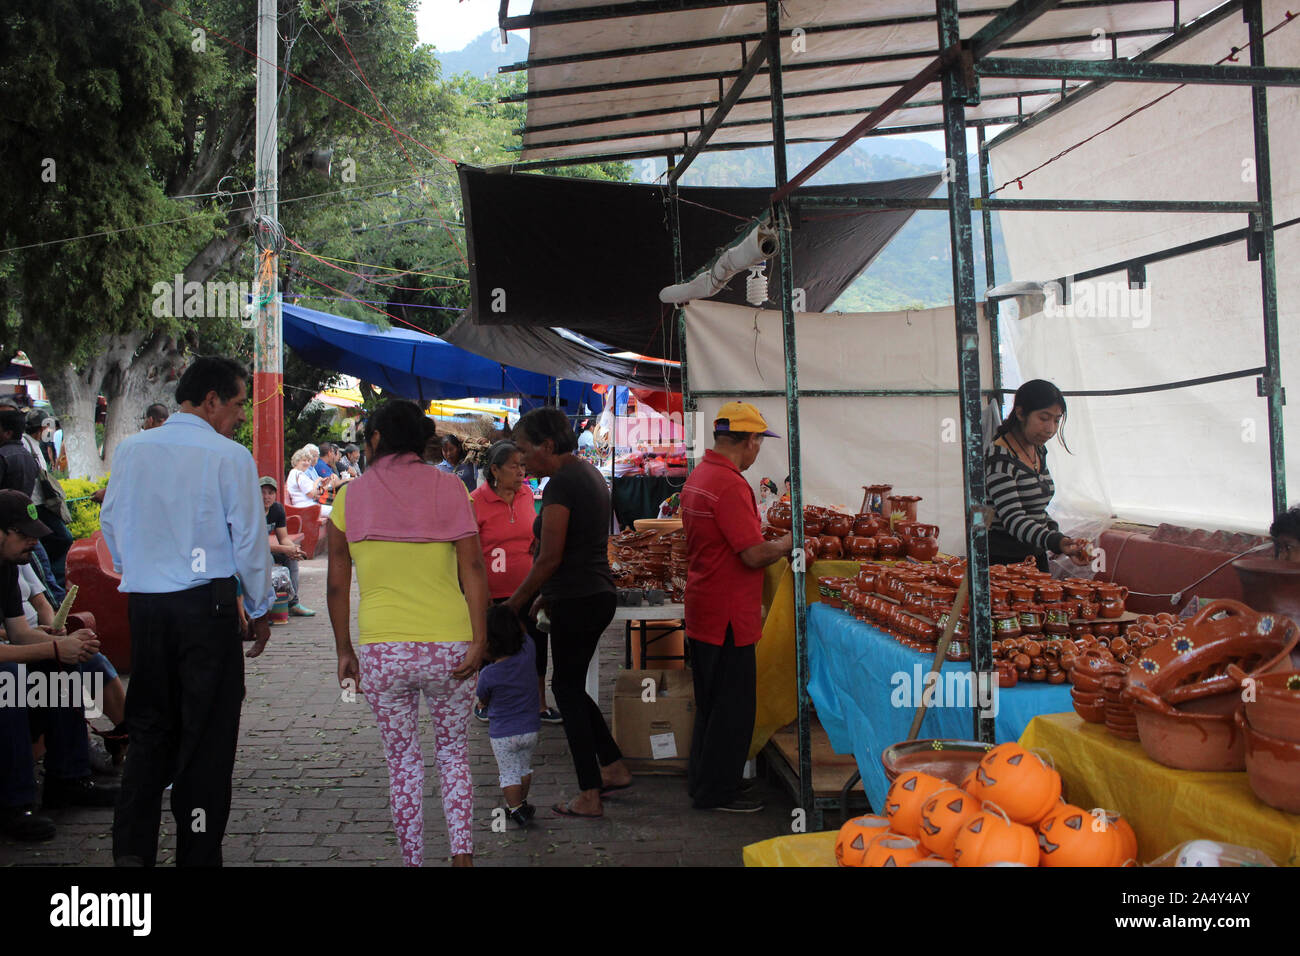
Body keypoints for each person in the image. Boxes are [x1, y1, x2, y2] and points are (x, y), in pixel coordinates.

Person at [101, 356, 275, 867]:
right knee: (207, 738)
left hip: (148, 610)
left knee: (150, 732)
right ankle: (197, 857)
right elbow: (249, 541)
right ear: (212, 400)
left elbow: (110, 525)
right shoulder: (228, 456)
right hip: (207, 609)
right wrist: (261, 607)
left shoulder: (132, 451)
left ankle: (132, 860)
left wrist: (148, 568)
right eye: (240, 403)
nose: (242, 415)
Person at [326, 399, 489, 867]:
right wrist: (480, 640)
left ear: (375, 439)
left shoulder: (348, 498)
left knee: (402, 765)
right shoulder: (451, 489)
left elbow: (338, 584)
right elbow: (474, 568)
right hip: (450, 647)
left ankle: (413, 862)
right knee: (454, 753)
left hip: (384, 651)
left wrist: (344, 650)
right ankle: (462, 859)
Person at [505, 407, 630, 819]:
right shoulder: (587, 475)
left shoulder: (562, 484)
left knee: (568, 691)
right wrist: (544, 597)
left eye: (524, 449)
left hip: (581, 597)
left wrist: (515, 602)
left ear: (547, 445)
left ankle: (589, 793)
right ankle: (611, 767)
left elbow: (549, 558)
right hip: (588, 595)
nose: (521, 458)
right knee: (571, 687)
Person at [680, 403, 793, 813]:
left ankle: (707, 783)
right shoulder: (728, 484)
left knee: (713, 705)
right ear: (750, 440)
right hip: (727, 613)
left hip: (706, 606)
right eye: (759, 441)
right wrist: (786, 543)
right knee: (732, 709)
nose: (759, 450)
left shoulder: (700, 476)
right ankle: (716, 792)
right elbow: (752, 554)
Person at [0, 490, 114, 842]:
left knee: (61, 666)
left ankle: (68, 778)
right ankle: (13, 804)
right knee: (10, 677)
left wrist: (63, 643)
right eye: (24, 535)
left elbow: (18, 633)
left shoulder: (7, 566)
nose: (33, 543)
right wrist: (53, 646)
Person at [470, 440, 561, 724]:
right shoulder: (476, 501)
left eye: (523, 465)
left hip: (527, 588)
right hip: (491, 593)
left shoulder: (527, 495)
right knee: (492, 646)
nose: (521, 472)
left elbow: (535, 531)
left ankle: (539, 703)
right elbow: (469, 553)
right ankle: (485, 701)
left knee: (535, 643)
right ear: (495, 470)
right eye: (514, 466)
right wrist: (478, 593)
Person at [985, 379, 1090, 572]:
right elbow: (1015, 520)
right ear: (1020, 413)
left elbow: (1037, 510)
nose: (1050, 428)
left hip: (1035, 557)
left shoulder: (1037, 450)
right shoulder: (1000, 459)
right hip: (1004, 564)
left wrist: (1060, 539)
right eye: (1044, 418)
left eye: (1056, 420)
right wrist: (1057, 541)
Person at [477, 604, 540, 828]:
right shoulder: (529, 649)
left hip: (503, 734)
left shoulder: (488, 674)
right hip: (531, 729)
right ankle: (522, 802)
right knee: (524, 768)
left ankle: (515, 810)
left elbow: (482, 698)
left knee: (508, 773)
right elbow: (524, 633)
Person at [21, 409, 73, 587]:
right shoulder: (24, 444)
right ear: (42, 427)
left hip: (42, 504)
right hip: (36, 505)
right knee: (63, 539)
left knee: (53, 541)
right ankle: (55, 583)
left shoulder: (33, 443)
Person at [90, 404, 170, 504]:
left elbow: (126, 479)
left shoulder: (134, 445)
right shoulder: (173, 448)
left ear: (150, 420)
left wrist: (106, 493)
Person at [260, 476, 313, 616]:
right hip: (253, 552)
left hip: (267, 549)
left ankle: (293, 603)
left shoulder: (277, 509)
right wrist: (285, 549)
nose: (266, 497)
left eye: (270, 493)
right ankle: (268, 606)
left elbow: (283, 538)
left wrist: (294, 549)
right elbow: (257, 545)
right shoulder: (252, 512)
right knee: (268, 560)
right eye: (263, 493)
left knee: (291, 558)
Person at [287, 446, 331, 517]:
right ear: (297, 461)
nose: (307, 463)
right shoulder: (298, 474)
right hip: (306, 507)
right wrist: (317, 481)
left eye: (308, 461)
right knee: (337, 512)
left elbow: (315, 494)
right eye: (304, 460)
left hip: (308, 505)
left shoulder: (295, 473)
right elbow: (311, 494)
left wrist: (323, 485)